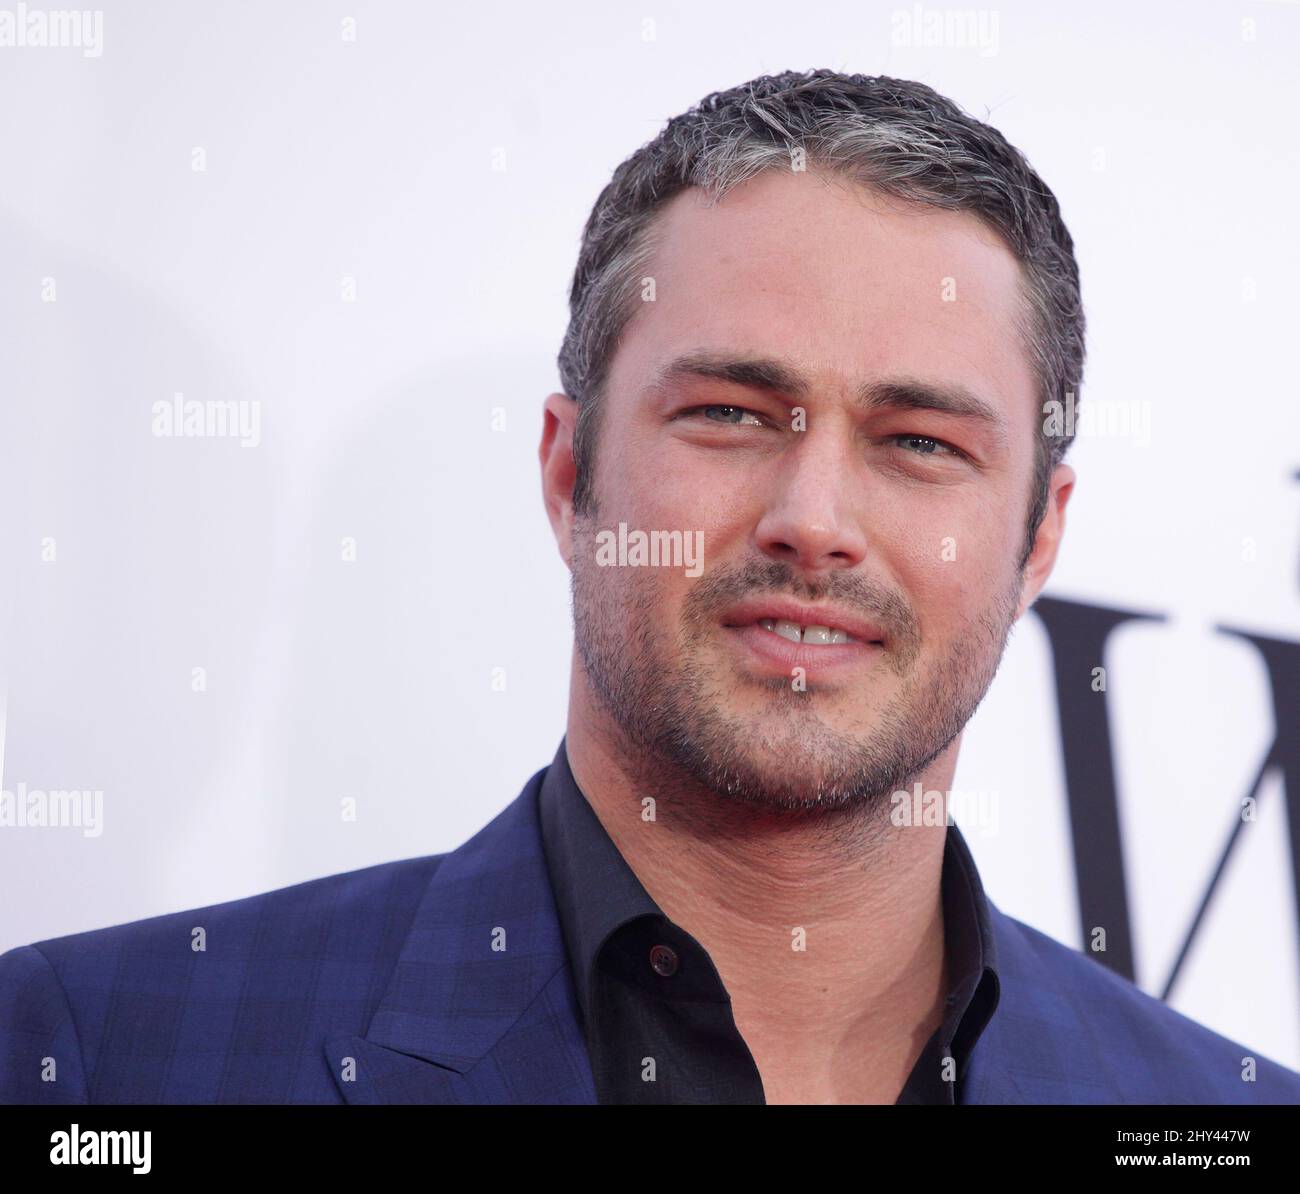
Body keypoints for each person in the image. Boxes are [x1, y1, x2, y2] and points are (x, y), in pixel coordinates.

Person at [2, 69, 1297, 1105]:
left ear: (1038, 539)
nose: (812, 520)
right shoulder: (104, 1054)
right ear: (570, 472)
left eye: (919, 442)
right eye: (732, 412)